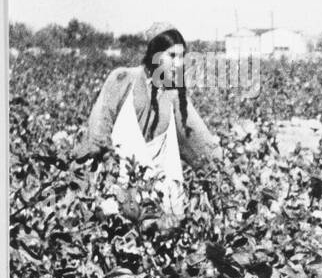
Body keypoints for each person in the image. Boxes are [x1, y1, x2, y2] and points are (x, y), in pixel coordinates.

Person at [73, 21, 222, 217]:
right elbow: (100, 125)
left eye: (182, 57)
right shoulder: (123, 79)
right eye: (172, 56)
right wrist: (104, 160)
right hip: (119, 185)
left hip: (160, 196)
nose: (179, 63)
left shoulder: (175, 95)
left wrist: (221, 179)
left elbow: (198, 141)